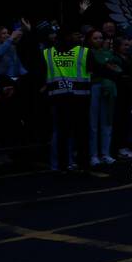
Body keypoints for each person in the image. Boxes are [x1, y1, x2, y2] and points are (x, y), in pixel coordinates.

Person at [42, 27, 94, 171]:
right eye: (74, 34)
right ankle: (84, 165)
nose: (77, 37)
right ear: (69, 36)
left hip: (58, 98)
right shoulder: (84, 52)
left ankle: (62, 166)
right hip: (80, 98)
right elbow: (91, 72)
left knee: (62, 135)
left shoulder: (47, 53)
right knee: (81, 134)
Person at [86, 28, 122, 166]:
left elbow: (117, 68)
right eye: (95, 38)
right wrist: (107, 67)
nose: (99, 40)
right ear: (89, 40)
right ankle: (93, 155)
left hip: (109, 88)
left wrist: (107, 67)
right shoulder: (87, 53)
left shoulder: (108, 53)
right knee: (93, 123)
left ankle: (105, 153)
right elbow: (103, 67)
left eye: (101, 37)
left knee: (107, 122)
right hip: (94, 87)